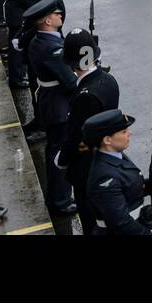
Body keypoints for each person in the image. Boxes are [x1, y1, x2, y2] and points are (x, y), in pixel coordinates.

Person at [58, 28, 119, 235]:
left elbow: (78, 138)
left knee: (91, 223)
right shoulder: (109, 81)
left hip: (88, 168)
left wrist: (62, 158)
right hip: (109, 160)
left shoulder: (84, 95)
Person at [83, 109, 152, 235]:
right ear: (107, 140)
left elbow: (128, 189)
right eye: (124, 131)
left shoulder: (114, 155)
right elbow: (120, 223)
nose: (130, 133)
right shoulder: (105, 177)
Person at [22, 0, 77, 215]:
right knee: (59, 155)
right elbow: (70, 81)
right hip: (58, 106)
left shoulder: (40, 40)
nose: (60, 14)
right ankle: (60, 201)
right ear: (47, 20)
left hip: (49, 100)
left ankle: (58, 196)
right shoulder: (51, 47)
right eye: (55, 13)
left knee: (55, 151)